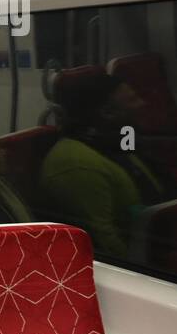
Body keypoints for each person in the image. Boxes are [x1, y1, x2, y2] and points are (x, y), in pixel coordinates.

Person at [40, 74, 170, 258]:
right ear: (108, 113)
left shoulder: (118, 141)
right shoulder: (76, 164)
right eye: (132, 100)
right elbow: (105, 244)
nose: (142, 104)